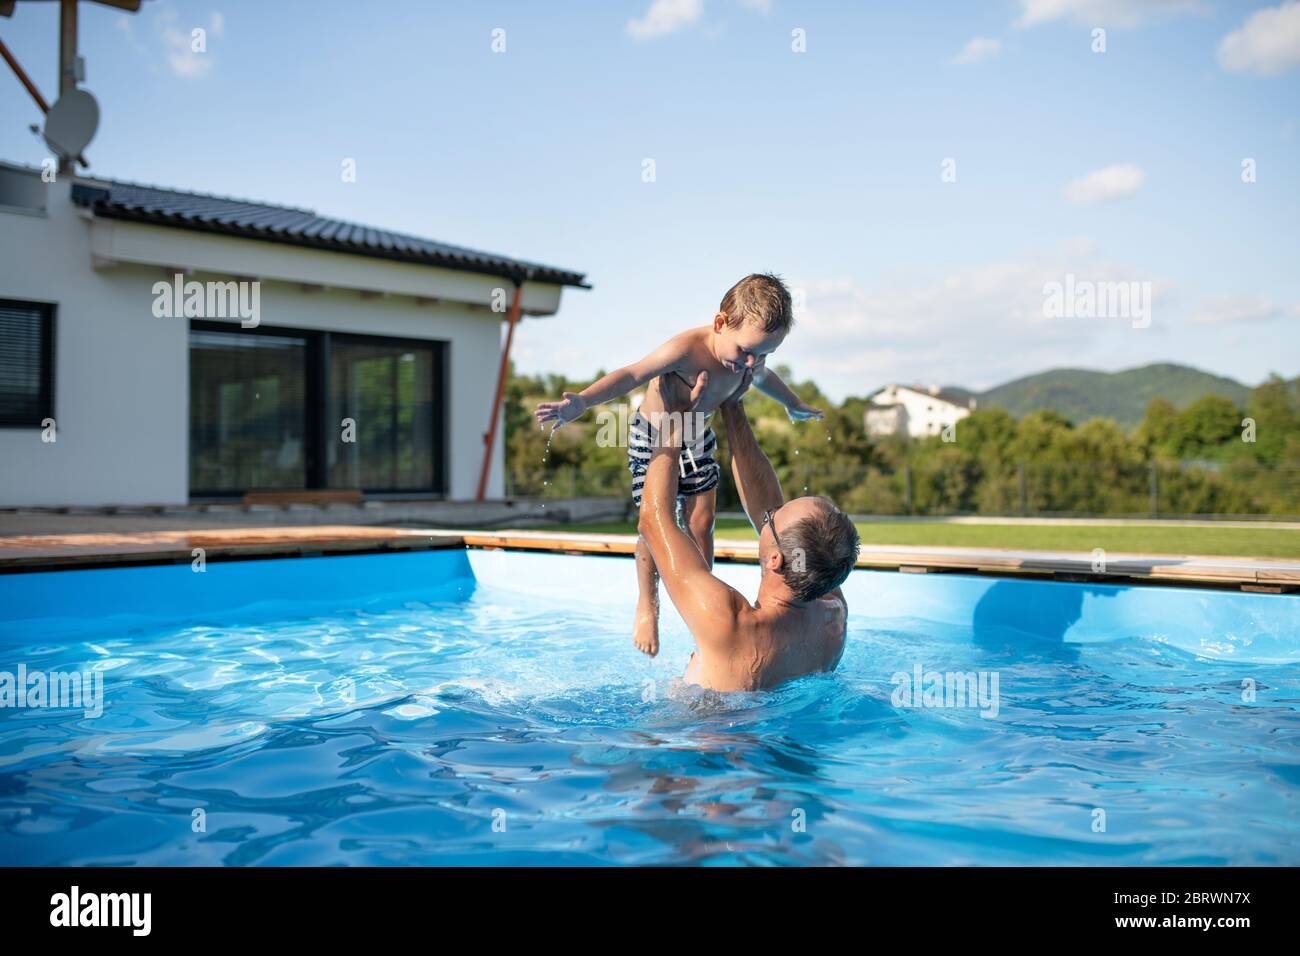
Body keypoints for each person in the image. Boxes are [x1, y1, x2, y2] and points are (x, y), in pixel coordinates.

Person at [534, 273, 822, 658]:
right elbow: (632, 374)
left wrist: (793, 404)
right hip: (654, 438)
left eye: (764, 354)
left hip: (697, 434)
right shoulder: (687, 349)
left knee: (702, 521)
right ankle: (646, 605)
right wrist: (583, 402)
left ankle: (702, 598)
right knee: (657, 523)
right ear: (720, 323)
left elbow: (767, 380)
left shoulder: (747, 360)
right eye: (745, 351)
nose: (751, 363)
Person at [635, 371, 860, 692]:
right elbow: (766, 504)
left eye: (775, 518)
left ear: (775, 560)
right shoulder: (831, 613)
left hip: (702, 730)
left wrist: (674, 418)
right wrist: (733, 405)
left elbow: (654, 521)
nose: (769, 513)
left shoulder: (729, 623)